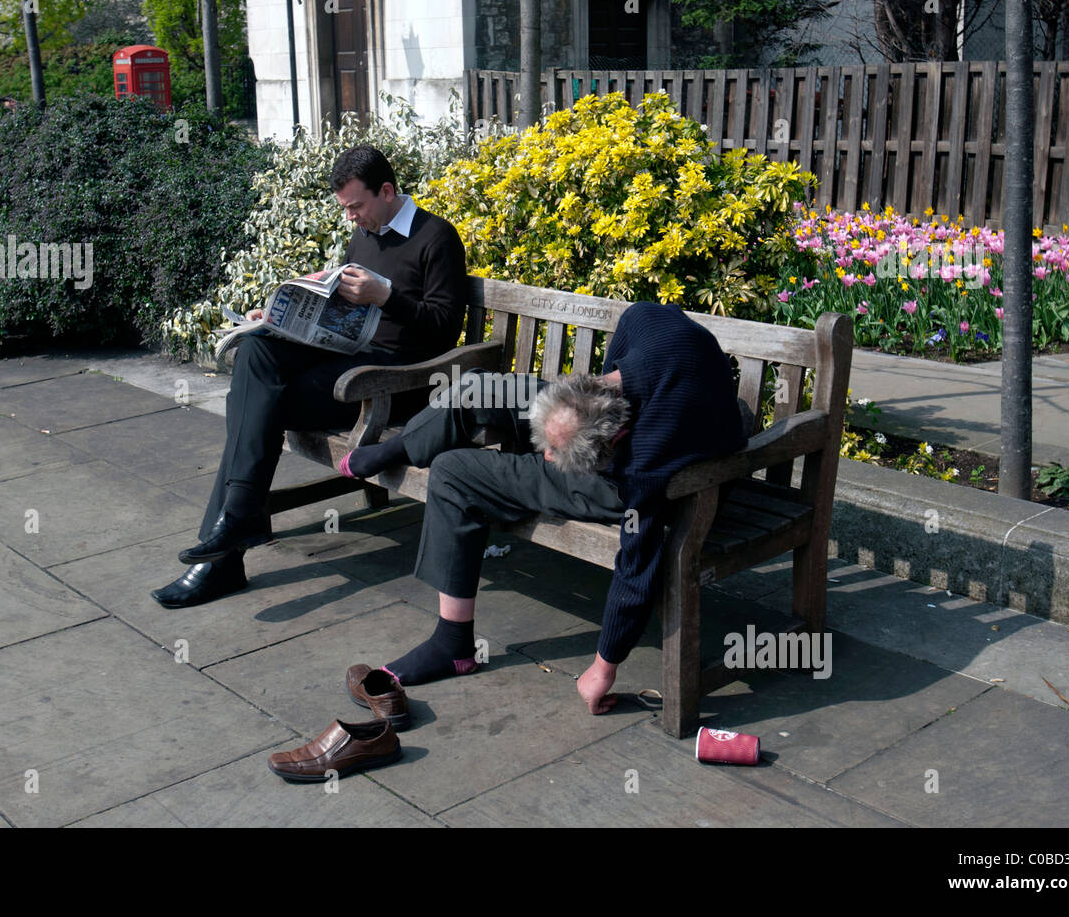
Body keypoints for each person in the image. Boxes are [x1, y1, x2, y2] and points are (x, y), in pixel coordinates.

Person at [341, 302, 747, 714]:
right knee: (477, 386)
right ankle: (396, 448)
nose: (547, 455)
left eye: (555, 452)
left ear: (617, 437)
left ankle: (452, 643)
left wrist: (604, 667)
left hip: (654, 480)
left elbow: (638, 568)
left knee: (452, 472)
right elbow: (639, 327)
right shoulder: (646, 324)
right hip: (627, 416)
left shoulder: (641, 467)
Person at [152, 144, 469, 609]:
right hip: (351, 362)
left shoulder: (437, 237)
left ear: (386, 191)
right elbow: (343, 311)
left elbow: (445, 328)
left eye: (356, 206)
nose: (351, 218)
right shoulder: (366, 234)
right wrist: (283, 320)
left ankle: (225, 551)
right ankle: (236, 522)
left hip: (398, 384)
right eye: (345, 209)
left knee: (255, 409)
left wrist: (386, 295)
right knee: (257, 351)